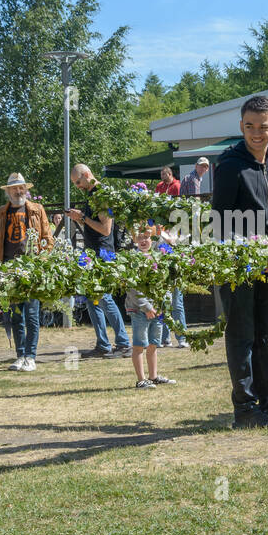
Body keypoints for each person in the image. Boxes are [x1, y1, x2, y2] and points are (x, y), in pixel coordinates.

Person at [212, 95, 268, 428]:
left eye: (263, 127)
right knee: (241, 334)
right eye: (249, 126)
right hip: (236, 265)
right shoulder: (229, 165)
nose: (256, 133)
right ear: (241, 126)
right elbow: (218, 222)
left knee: (264, 334)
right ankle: (245, 409)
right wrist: (242, 256)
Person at [67, 164, 131, 359]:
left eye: (78, 182)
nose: (78, 186)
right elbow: (93, 226)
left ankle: (123, 343)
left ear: (87, 175)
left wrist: (83, 217)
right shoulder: (93, 194)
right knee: (92, 299)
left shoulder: (101, 194)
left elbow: (105, 229)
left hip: (103, 254)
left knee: (103, 297)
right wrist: (78, 218)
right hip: (93, 253)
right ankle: (103, 344)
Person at [0, 173, 54, 372]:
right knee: (15, 315)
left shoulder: (37, 209)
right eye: (14, 189)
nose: (18, 191)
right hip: (9, 267)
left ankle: (31, 356)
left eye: (21, 188)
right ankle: (20, 355)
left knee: (31, 314)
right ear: (8, 192)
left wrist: (42, 261)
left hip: (31, 266)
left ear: (26, 190)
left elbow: (47, 238)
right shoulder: (1, 212)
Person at [126, 225, 176, 389]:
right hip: (140, 309)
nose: (143, 240)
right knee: (140, 344)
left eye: (146, 237)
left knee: (154, 343)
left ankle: (153, 376)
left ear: (153, 239)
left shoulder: (159, 257)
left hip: (157, 309)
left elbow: (165, 282)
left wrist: (162, 304)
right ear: (134, 240)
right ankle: (141, 380)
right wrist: (146, 306)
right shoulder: (132, 259)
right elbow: (133, 287)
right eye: (139, 238)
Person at [156, 224, 190, 349]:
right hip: (160, 268)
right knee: (163, 304)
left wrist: (162, 234)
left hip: (175, 270)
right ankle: (165, 338)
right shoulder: (155, 225)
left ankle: (182, 338)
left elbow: (174, 242)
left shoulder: (178, 224)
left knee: (176, 304)